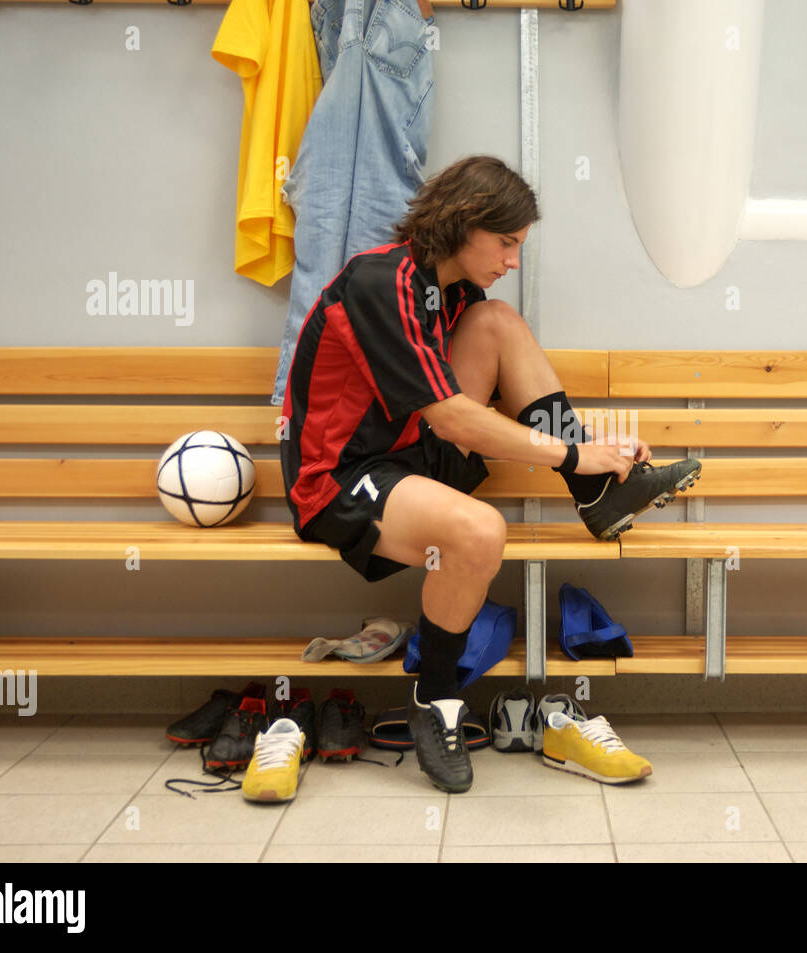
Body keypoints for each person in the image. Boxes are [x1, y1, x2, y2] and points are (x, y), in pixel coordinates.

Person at [280, 155, 700, 792]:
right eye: (506, 242)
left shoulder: (457, 297)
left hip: (411, 457)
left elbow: (461, 413)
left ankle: (597, 495)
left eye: (519, 246)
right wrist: (573, 450)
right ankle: (437, 699)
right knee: (481, 532)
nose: (512, 260)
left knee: (497, 322)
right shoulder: (379, 281)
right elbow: (452, 417)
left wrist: (590, 452)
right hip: (341, 477)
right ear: (463, 222)